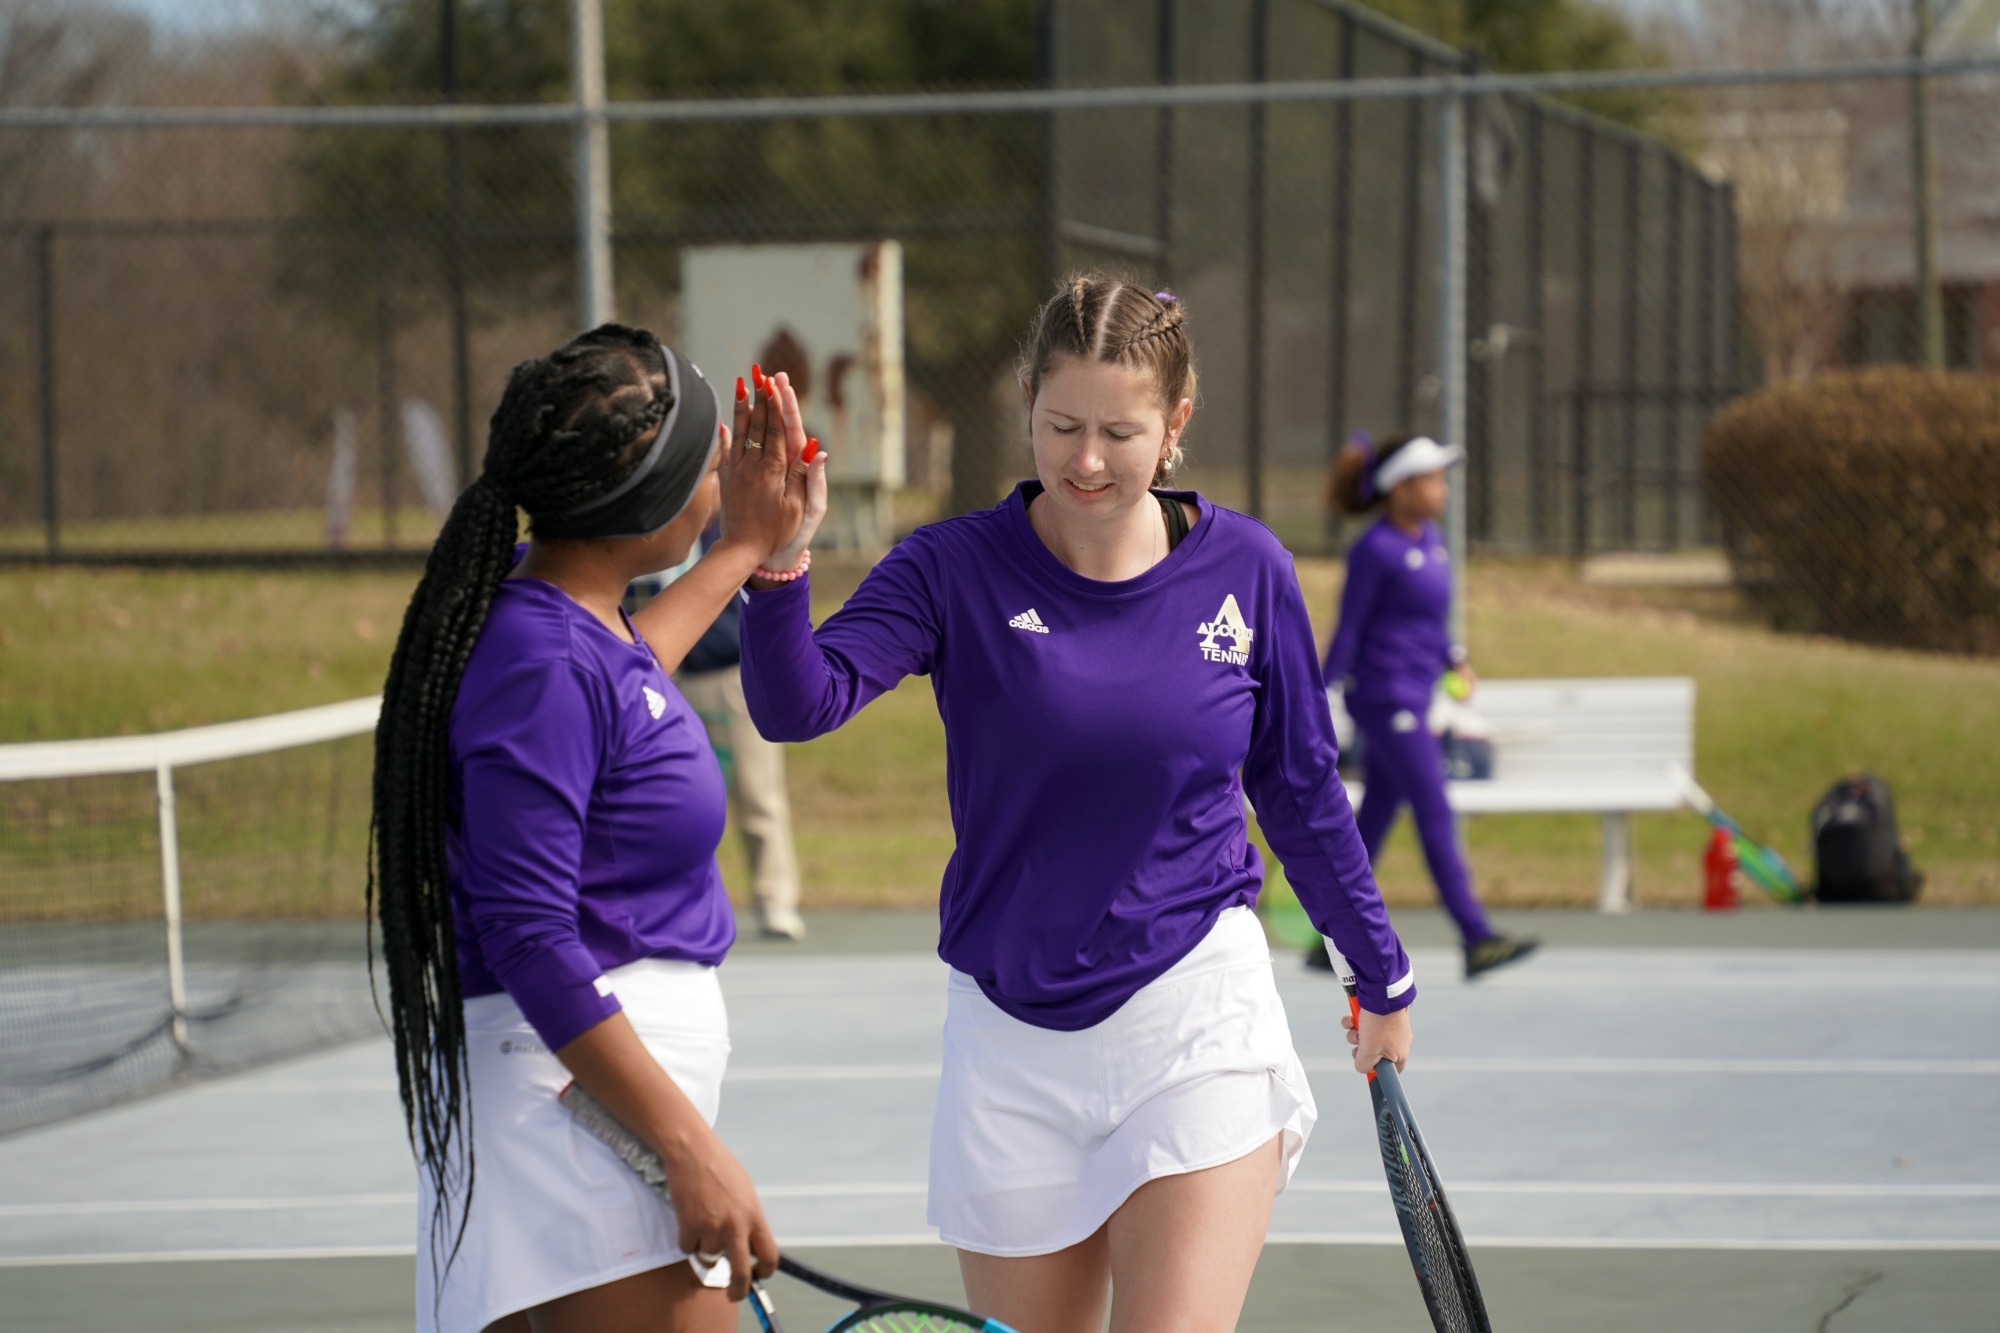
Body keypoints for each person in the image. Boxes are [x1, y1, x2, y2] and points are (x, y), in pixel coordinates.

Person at [734, 275, 1415, 1333]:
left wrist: (1380, 972)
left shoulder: (1247, 569)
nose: (1085, 459)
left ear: (1176, 424)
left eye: (1118, 431)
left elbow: (1297, 785)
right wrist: (778, 565)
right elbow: (797, 706)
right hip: (1006, 1044)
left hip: (1196, 1019)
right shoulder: (944, 568)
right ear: (1025, 403)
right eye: (1060, 425)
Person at [368, 324, 828, 1333]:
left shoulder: (575, 623)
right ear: (653, 505)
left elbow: (623, 681)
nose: (724, 473)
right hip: (577, 1112)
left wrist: (749, 546)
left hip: (582, 1103)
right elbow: (529, 934)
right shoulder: (543, 662)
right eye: (710, 462)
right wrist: (684, 1146)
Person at [1307, 431, 1539, 981]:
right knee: (1434, 812)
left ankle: (1329, 941)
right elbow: (1350, 631)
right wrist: (1310, 700)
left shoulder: (1431, 541)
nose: (1443, 489)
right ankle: (1476, 938)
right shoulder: (1375, 550)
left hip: (1415, 696)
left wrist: (1454, 657)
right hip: (1385, 701)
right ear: (1401, 488)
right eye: (1432, 479)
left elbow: (1429, 622)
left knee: (1372, 827)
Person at [627, 521, 809, 941]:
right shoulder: (643, 532)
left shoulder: (734, 534)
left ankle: (775, 901)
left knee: (756, 791)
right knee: (663, 796)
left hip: (724, 674)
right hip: (655, 675)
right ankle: (667, 907)